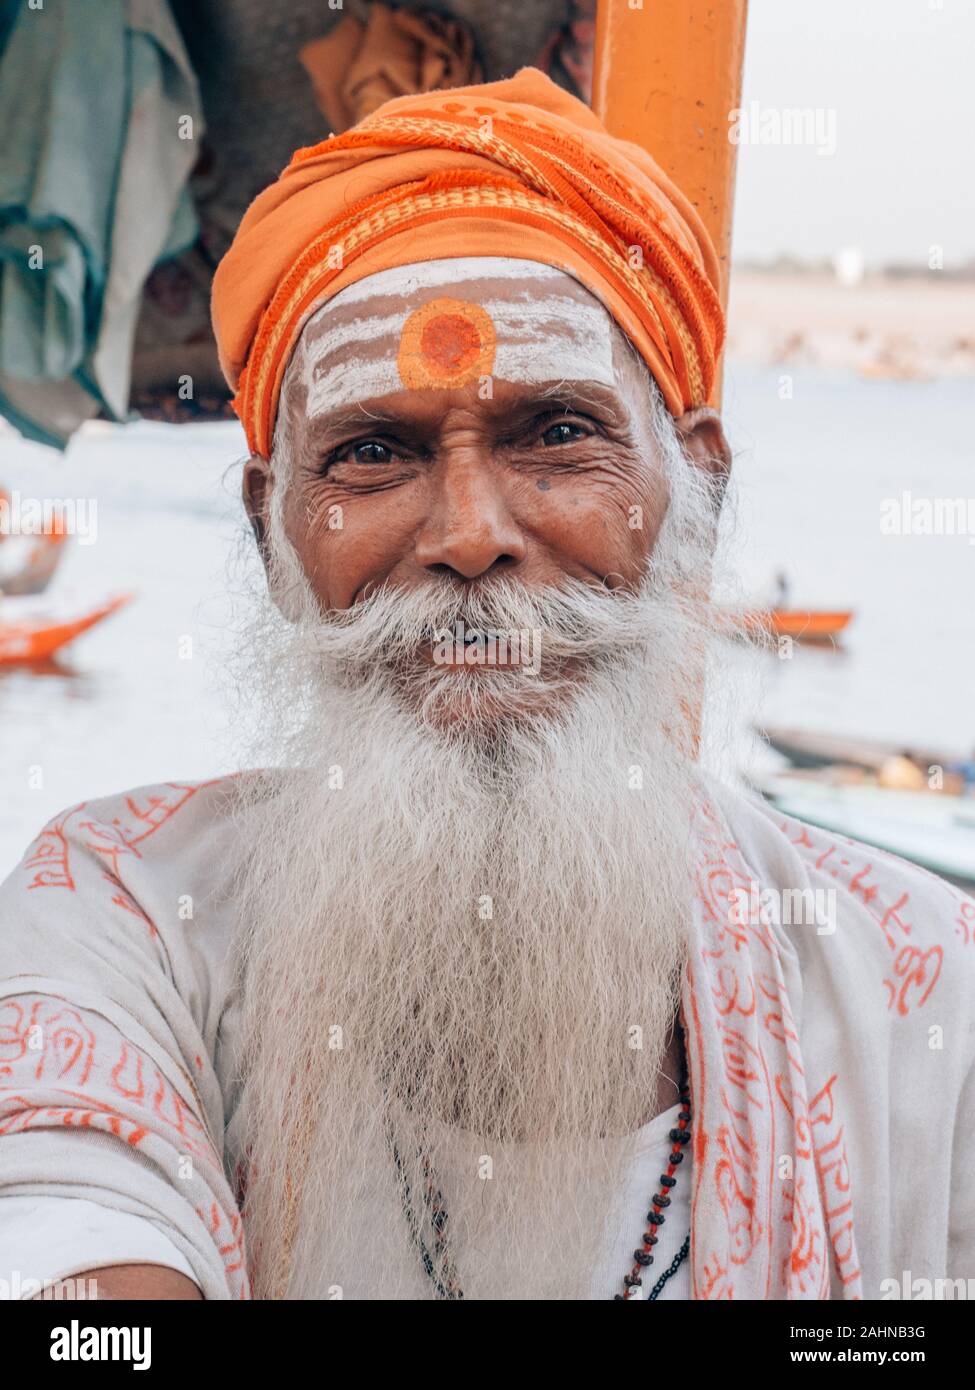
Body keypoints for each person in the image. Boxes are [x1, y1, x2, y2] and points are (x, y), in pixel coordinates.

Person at [1, 70, 972, 1302]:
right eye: (372, 452)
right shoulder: (120, 918)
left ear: (700, 492)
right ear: (272, 537)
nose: (469, 533)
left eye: (558, 433)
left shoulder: (928, 990)